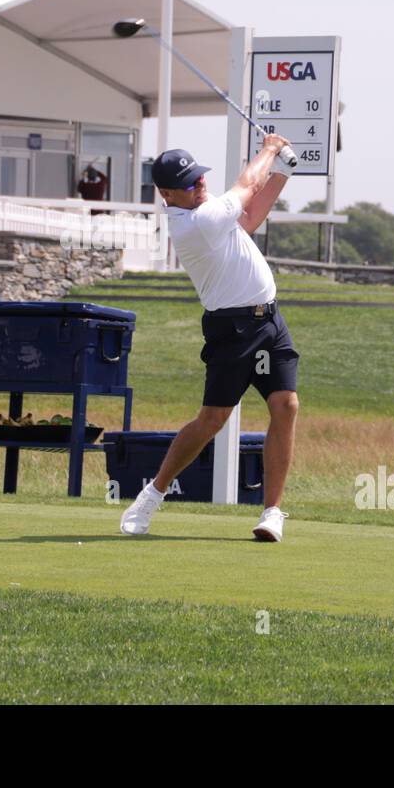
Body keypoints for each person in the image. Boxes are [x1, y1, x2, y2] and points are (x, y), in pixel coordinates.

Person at [119, 132, 299, 542]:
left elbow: (249, 220)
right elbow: (248, 186)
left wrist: (282, 174)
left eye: (199, 177)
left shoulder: (206, 208)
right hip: (231, 330)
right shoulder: (196, 223)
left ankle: (272, 512)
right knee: (212, 420)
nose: (200, 184)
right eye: (190, 183)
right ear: (167, 194)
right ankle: (152, 494)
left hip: (270, 322)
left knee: (286, 405)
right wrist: (270, 150)